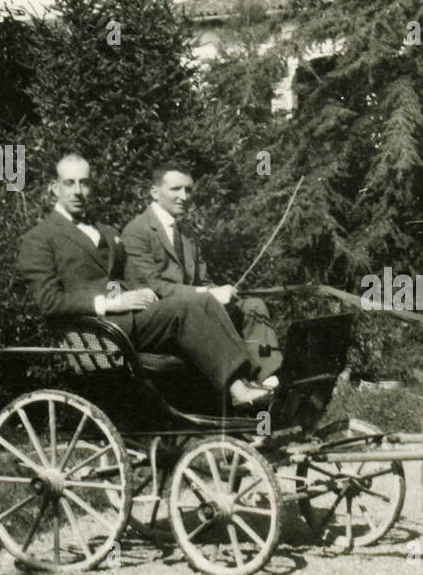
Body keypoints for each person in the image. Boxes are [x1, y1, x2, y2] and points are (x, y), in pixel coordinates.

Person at [16, 153, 273, 407]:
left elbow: (128, 277)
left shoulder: (107, 232)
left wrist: (142, 292)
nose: (78, 191)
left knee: (203, 300)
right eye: (69, 183)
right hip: (96, 331)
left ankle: (251, 380)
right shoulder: (39, 238)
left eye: (84, 183)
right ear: (54, 188)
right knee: (187, 306)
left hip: (132, 320)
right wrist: (110, 302)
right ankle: (238, 390)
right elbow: (49, 302)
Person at [121, 163, 283, 385]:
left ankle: (269, 380)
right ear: (154, 192)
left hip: (196, 308)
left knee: (253, 306)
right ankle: (240, 384)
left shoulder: (186, 233)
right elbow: (153, 286)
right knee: (206, 306)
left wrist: (220, 291)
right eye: (175, 189)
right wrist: (207, 293)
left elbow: (203, 280)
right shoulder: (136, 231)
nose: (184, 196)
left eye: (188, 190)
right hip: (161, 319)